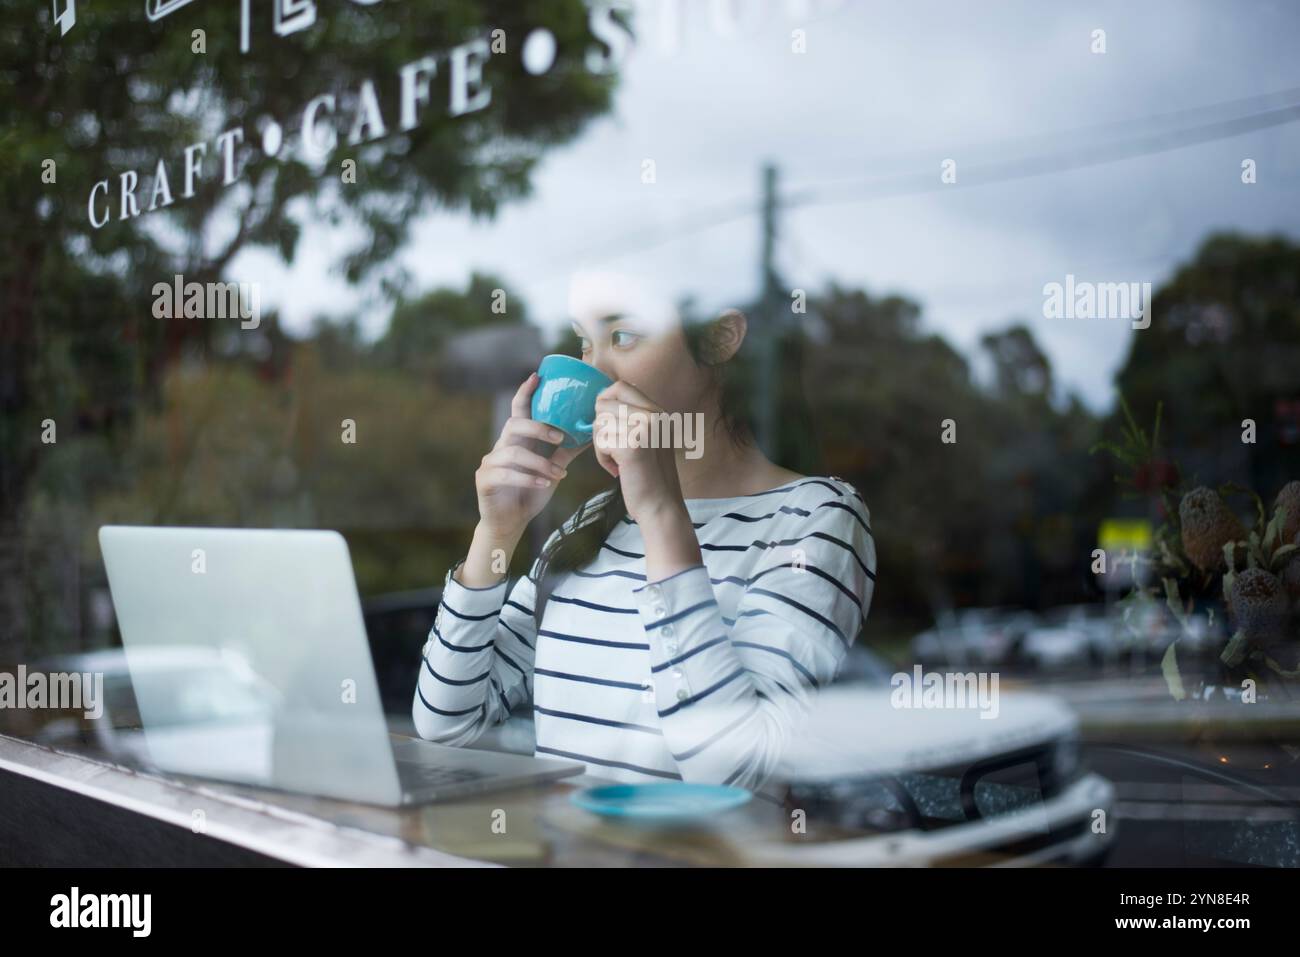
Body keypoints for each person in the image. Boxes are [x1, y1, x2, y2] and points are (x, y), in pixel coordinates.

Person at [412, 271, 876, 793]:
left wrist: (661, 516)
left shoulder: (817, 517)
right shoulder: (591, 524)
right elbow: (446, 724)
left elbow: (732, 772)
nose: (597, 371)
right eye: (585, 343)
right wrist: (496, 534)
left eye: (624, 337)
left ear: (721, 339)